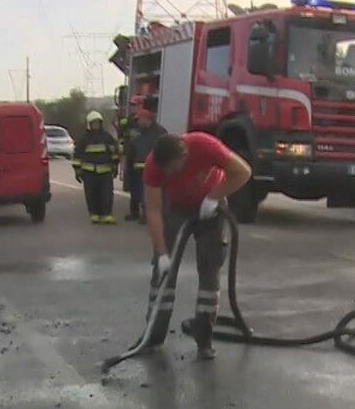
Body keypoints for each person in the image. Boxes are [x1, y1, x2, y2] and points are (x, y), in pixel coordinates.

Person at [142, 132, 251, 359]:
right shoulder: (154, 165)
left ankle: (204, 338)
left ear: (184, 156)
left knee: (209, 270)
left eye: (173, 169)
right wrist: (162, 253)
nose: (169, 174)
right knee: (163, 274)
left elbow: (243, 172)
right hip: (177, 208)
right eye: (165, 171)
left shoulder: (204, 146)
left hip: (212, 207)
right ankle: (152, 337)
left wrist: (214, 196)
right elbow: (153, 211)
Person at [72, 110, 120, 224]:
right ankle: (94, 214)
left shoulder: (107, 137)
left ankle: (106, 215)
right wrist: (77, 171)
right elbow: (77, 155)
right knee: (91, 194)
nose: (96, 125)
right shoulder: (83, 138)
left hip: (105, 171)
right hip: (89, 172)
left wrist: (115, 165)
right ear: (89, 124)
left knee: (107, 194)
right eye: (94, 123)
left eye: (98, 123)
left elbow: (114, 151)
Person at [125, 107, 165, 222]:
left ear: (147, 119)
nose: (138, 122)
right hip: (136, 166)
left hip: (150, 167)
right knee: (135, 191)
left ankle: (146, 215)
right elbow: (131, 147)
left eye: (139, 120)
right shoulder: (136, 132)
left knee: (146, 193)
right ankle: (134, 213)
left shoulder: (159, 132)